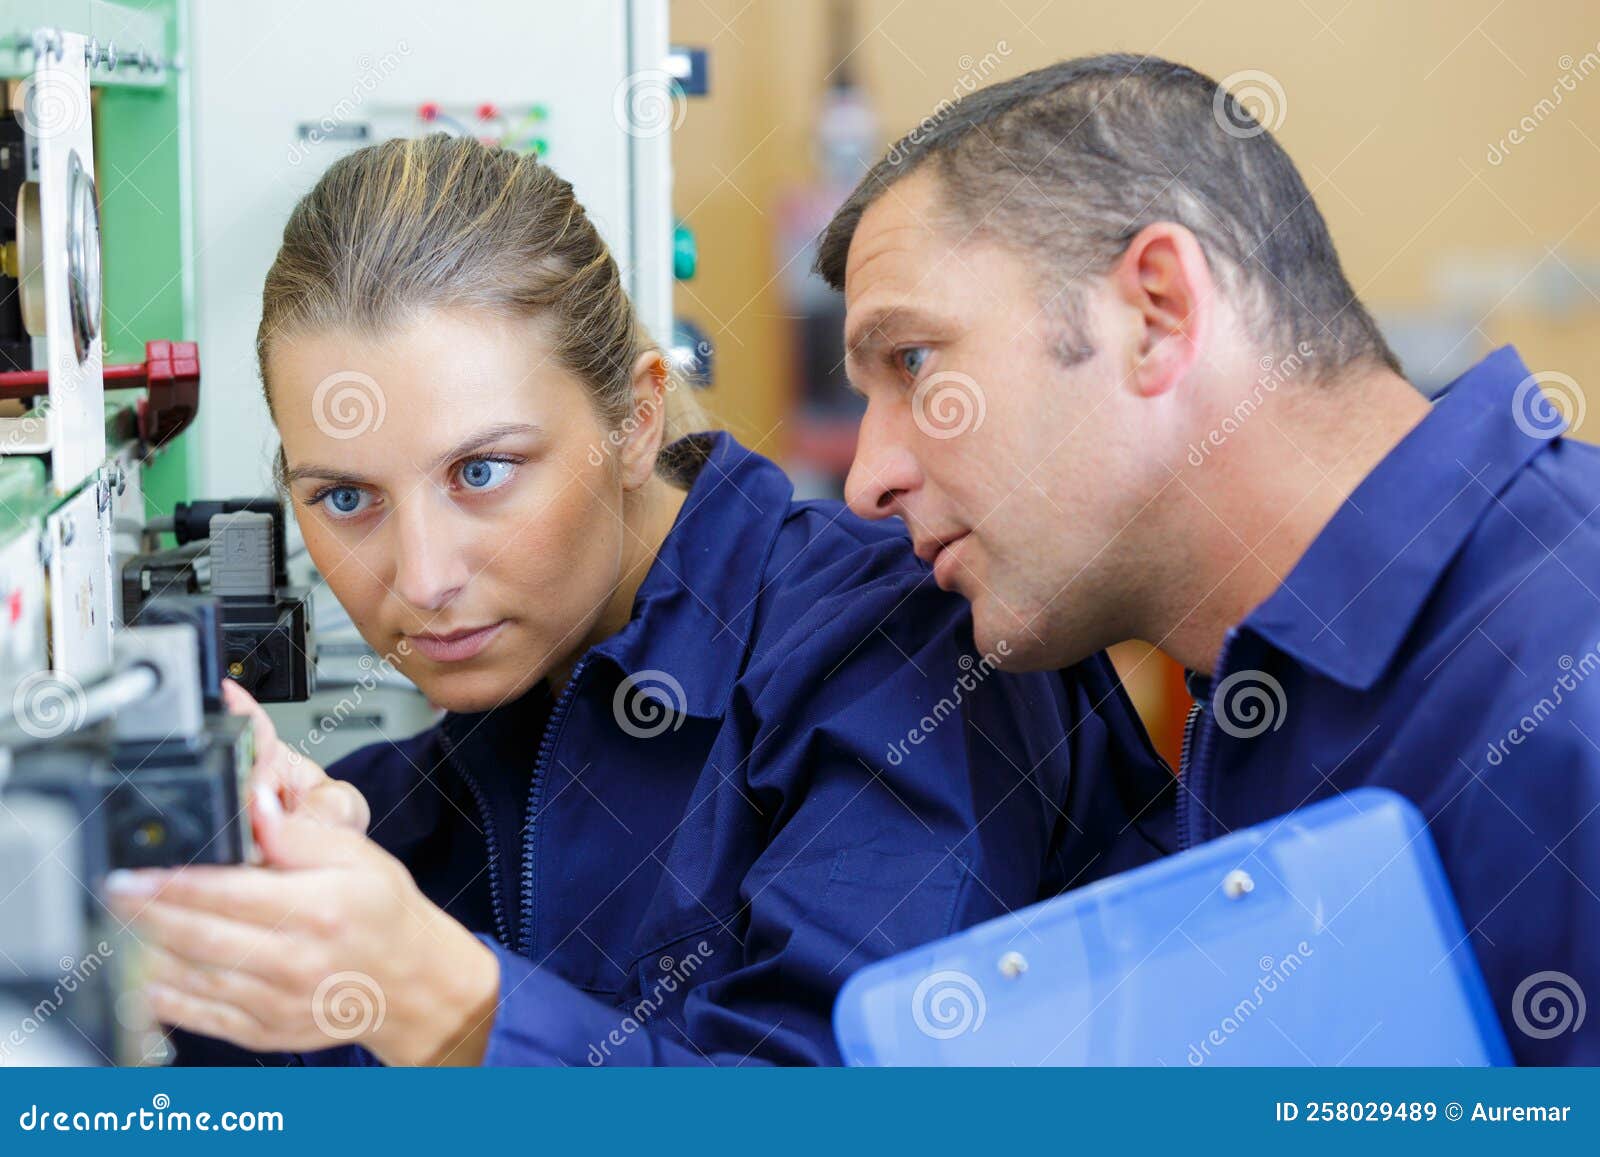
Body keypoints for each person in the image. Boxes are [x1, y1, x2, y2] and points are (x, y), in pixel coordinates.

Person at [103, 133, 1172, 1066]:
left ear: (637, 418)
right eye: (346, 497)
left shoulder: (898, 655)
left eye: (483, 472)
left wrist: (439, 995)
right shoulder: (474, 741)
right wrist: (229, 886)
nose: (421, 578)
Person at [817, 53, 1600, 1064]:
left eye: (914, 360)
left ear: (1155, 312)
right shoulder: (1260, 699)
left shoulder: (1562, 683)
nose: (865, 477)